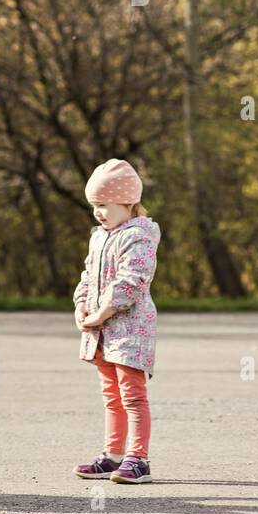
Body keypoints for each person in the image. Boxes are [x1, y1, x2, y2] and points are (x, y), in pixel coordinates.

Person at [71, 159, 160, 485]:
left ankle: (139, 458)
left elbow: (132, 281)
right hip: (101, 331)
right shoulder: (100, 236)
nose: (98, 212)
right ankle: (113, 455)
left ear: (128, 202)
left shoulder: (139, 235)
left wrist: (103, 312)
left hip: (129, 330)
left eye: (104, 205)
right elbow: (86, 276)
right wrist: (81, 307)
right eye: (94, 205)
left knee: (133, 395)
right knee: (111, 394)